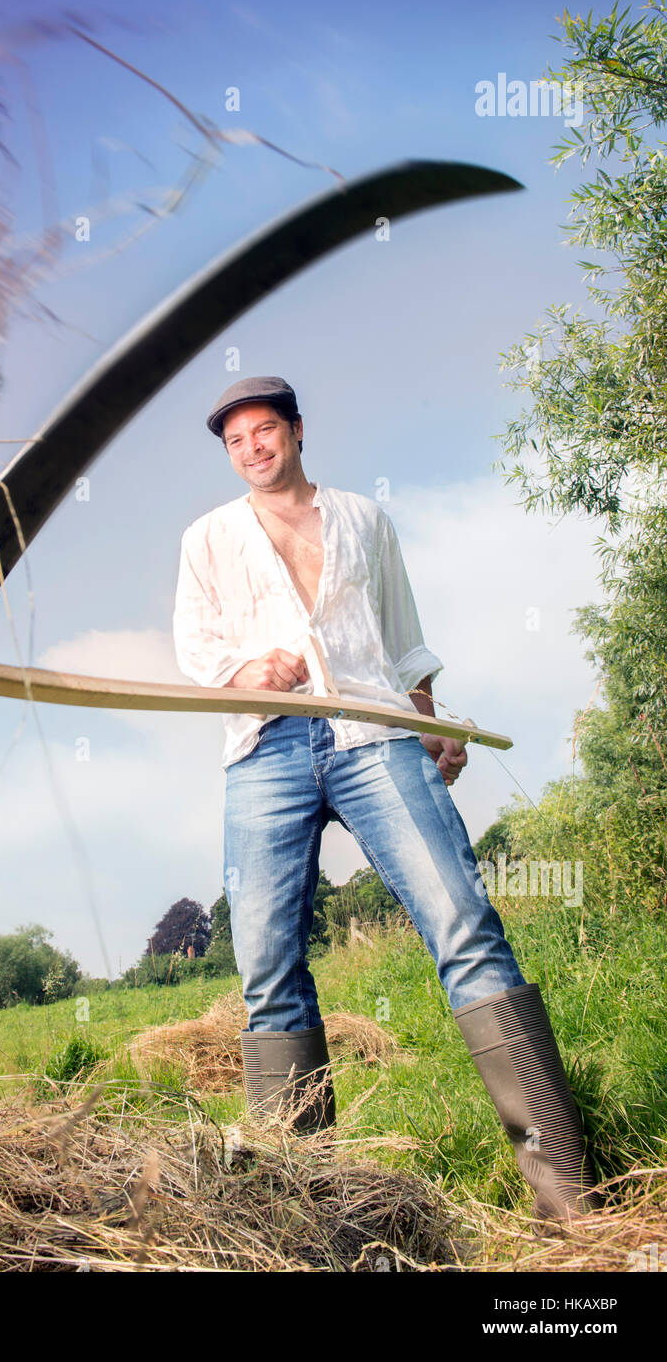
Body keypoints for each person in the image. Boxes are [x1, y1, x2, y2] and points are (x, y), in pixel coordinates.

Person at [172, 376, 600, 1222]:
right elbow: (197, 645)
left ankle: (569, 1203)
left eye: (265, 431)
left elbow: (402, 641)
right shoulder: (207, 537)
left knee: (466, 928)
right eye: (235, 441)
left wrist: (433, 726)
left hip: (375, 738)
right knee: (267, 972)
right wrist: (246, 673)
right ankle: (305, 1214)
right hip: (265, 750)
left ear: (295, 431)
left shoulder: (366, 518)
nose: (253, 448)